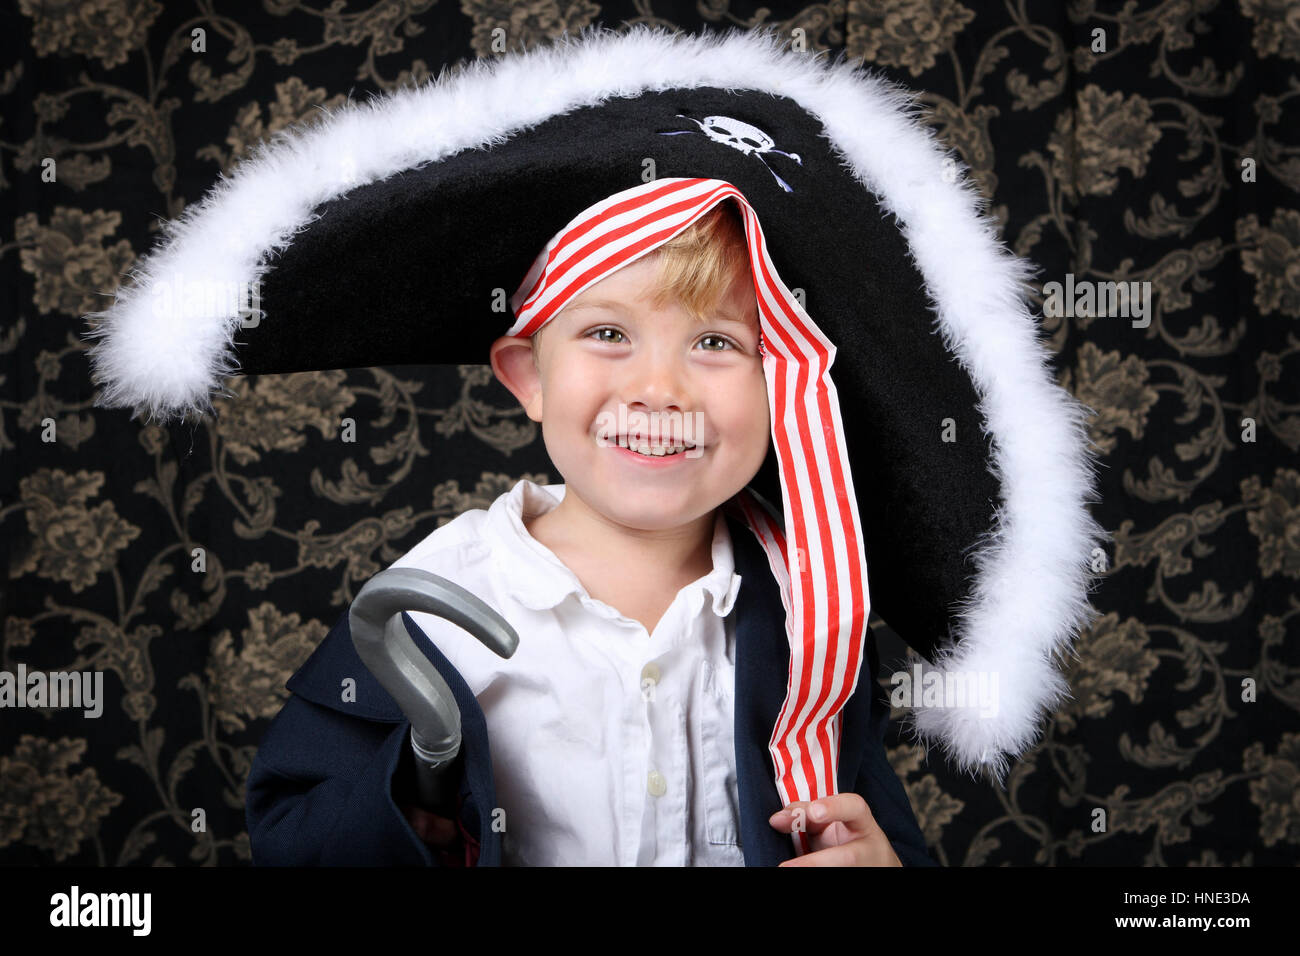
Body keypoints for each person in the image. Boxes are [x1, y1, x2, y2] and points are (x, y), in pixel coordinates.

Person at [245, 195, 936, 866]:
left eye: (716, 341)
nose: (660, 388)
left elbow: (871, 823)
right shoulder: (432, 604)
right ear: (528, 377)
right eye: (608, 334)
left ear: (781, 386)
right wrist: (403, 806)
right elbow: (293, 825)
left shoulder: (811, 614)